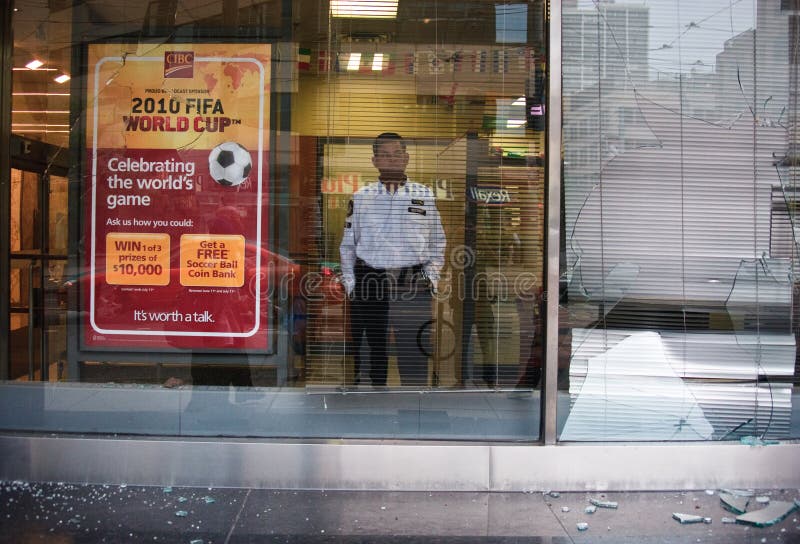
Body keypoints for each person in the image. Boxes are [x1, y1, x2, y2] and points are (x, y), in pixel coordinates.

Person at [340, 132, 446, 387]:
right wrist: (351, 284)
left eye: (397, 154)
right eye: (385, 155)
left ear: (406, 158)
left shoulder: (424, 194)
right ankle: (371, 397)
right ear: (375, 161)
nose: (392, 159)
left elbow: (438, 241)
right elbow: (348, 245)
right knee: (371, 346)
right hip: (370, 277)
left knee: (414, 345)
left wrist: (430, 277)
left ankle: (413, 399)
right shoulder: (361, 197)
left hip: (412, 279)